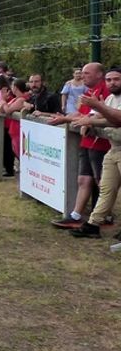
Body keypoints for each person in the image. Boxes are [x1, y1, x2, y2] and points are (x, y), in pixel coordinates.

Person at [48, 63, 111, 229]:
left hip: (101, 143)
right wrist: (66, 118)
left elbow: (103, 112)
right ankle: (76, 216)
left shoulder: (106, 90)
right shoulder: (89, 92)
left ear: (99, 74)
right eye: (82, 73)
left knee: (102, 181)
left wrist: (81, 120)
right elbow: (81, 114)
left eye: (87, 73)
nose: (83, 76)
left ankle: (104, 216)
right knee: (83, 179)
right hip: (87, 141)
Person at [70, 67, 121, 238]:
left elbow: (117, 119)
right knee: (106, 189)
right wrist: (90, 120)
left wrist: (95, 112)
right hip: (113, 149)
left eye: (116, 79)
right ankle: (93, 224)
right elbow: (102, 116)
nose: (112, 83)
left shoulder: (105, 100)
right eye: (109, 80)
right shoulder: (109, 98)